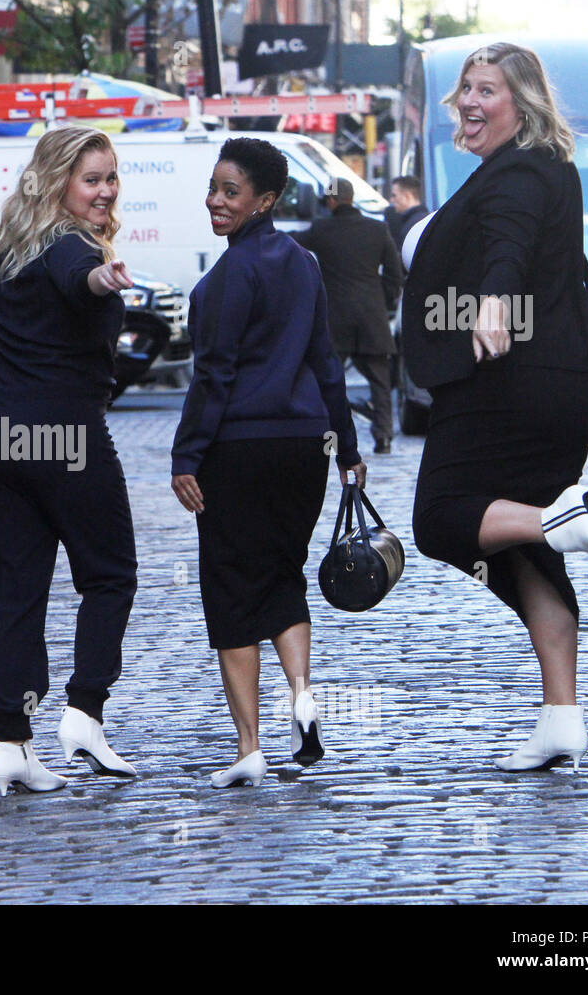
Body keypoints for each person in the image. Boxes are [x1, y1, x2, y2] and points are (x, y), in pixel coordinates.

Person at [402, 42, 588, 773]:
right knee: (526, 551)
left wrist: (494, 302)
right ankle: (562, 716)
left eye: (487, 90)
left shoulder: (521, 172)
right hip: (553, 384)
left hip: (510, 381)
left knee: (442, 518)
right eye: (465, 87)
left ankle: (563, 516)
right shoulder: (540, 169)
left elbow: (510, 245)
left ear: (522, 103)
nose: (469, 101)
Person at [171, 138, 365, 789]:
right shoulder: (304, 264)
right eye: (214, 187)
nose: (216, 201)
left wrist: (185, 454)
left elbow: (215, 375)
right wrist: (349, 446)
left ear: (266, 199)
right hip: (304, 449)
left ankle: (249, 743)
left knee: (230, 587)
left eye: (231, 191)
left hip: (239, 450)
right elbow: (325, 360)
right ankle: (302, 697)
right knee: (282, 574)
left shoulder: (227, 277)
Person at [0, 125, 139, 795]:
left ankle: (11, 739)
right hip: (62, 431)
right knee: (110, 574)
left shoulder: (10, 244)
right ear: (59, 181)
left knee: (16, 590)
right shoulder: (72, 246)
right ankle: (84, 712)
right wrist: (102, 276)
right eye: (91, 178)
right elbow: (82, 278)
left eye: (110, 177)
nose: (104, 191)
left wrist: (95, 274)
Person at [296, 176, 404, 454]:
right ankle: (384, 437)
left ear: (332, 200)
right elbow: (394, 273)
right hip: (372, 315)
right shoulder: (378, 230)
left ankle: (331, 439)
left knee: (330, 380)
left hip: (336, 317)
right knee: (380, 381)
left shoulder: (322, 229)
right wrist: (382, 298)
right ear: (351, 197)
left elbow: (293, 245)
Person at [387, 175, 429, 248]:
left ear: (407, 196)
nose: (392, 200)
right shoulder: (424, 219)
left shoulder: (414, 226)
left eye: (394, 195)